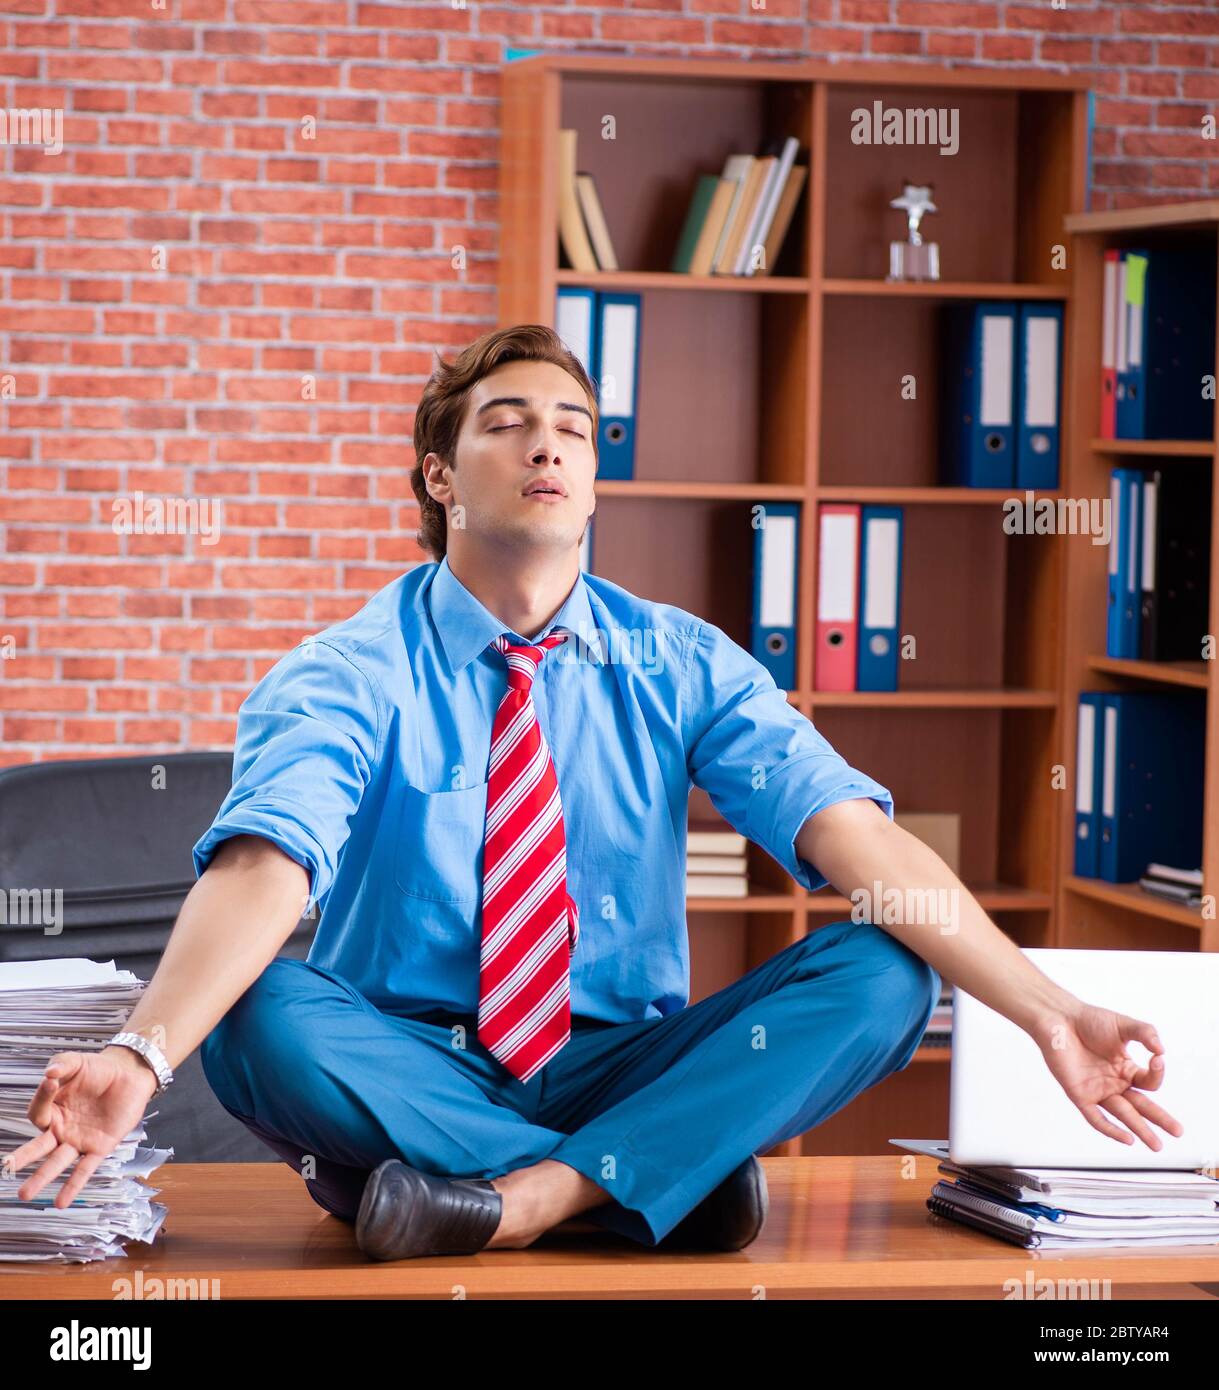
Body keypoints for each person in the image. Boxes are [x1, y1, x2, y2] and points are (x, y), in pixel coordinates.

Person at [3, 325, 1182, 1261]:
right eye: (507, 424)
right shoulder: (347, 669)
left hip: (623, 1054)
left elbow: (851, 835)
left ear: (595, 477)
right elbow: (269, 864)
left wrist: (1046, 1012)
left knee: (882, 971)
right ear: (439, 475)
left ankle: (521, 1201)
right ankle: (646, 1178)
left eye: (573, 427)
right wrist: (143, 1055)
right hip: (415, 1064)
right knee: (257, 1018)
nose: (548, 447)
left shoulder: (679, 659)